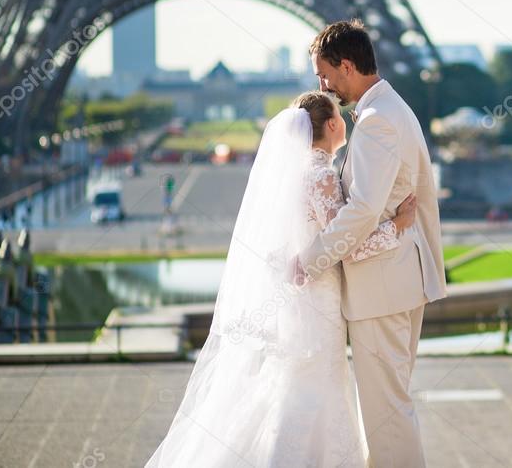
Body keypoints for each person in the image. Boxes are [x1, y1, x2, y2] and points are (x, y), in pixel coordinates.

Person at [146, 93, 419, 466]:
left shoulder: (296, 176)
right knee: (317, 387)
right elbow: (347, 246)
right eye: (339, 116)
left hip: (299, 301)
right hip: (318, 302)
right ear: (332, 126)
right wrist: (398, 227)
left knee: (297, 386)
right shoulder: (322, 176)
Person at [298, 20, 447, 467]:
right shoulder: (388, 110)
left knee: (386, 415)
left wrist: (310, 260)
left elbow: (363, 210)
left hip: (382, 288)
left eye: (324, 74)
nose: (322, 85)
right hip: (394, 279)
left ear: (346, 65)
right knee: (391, 408)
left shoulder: (379, 121)